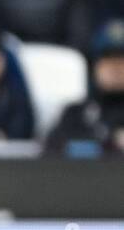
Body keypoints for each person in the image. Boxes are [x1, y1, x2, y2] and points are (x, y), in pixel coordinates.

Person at [43, 19, 124, 158]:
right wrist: (111, 143)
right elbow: (48, 160)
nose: (115, 67)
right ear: (93, 67)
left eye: (122, 59)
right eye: (108, 58)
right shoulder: (74, 115)